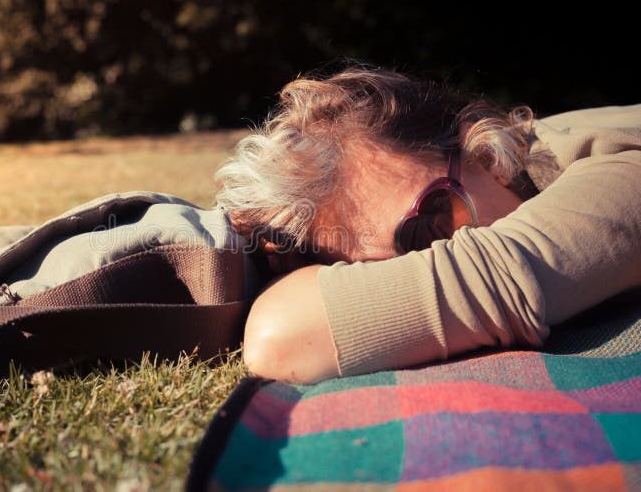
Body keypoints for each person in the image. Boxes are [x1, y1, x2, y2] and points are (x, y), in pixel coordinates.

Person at [214, 64, 641, 384]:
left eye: (429, 228)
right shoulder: (520, 171)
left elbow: (281, 338)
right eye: (377, 272)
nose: (426, 263)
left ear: (488, 155)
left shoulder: (620, 168)